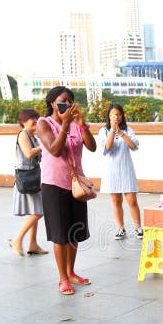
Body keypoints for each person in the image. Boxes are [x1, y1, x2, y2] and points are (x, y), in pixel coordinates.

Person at [36, 86, 97, 295]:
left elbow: (92, 146)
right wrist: (63, 124)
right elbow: (54, 149)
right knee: (60, 234)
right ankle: (62, 278)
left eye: (70, 101)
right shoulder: (43, 124)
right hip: (54, 184)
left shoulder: (75, 124)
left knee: (74, 233)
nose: (68, 105)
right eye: (63, 101)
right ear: (53, 102)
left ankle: (71, 272)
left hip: (76, 184)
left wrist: (81, 123)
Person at [98, 103, 143, 240]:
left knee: (132, 200)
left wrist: (121, 133)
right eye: (112, 115)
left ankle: (138, 228)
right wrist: (112, 131)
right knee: (116, 201)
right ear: (108, 117)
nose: (115, 117)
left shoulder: (128, 130)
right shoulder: (103, 131)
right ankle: (120, 228)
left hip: (126, 169)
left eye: (118, 114)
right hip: (112, 170)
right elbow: (107, 148)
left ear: (122, 116)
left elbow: (134, 145)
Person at [10, 108, 47, 257]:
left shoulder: (34, 137)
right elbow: (29, 153)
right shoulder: (23, 134)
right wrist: (45, 145)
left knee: (35, 210)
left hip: (35, 176)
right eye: (32, 118)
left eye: (37, 118)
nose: (35, 120)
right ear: (23, 121)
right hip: (27, 177)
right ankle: (17, 239)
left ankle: (32, 244)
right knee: (39, 211)